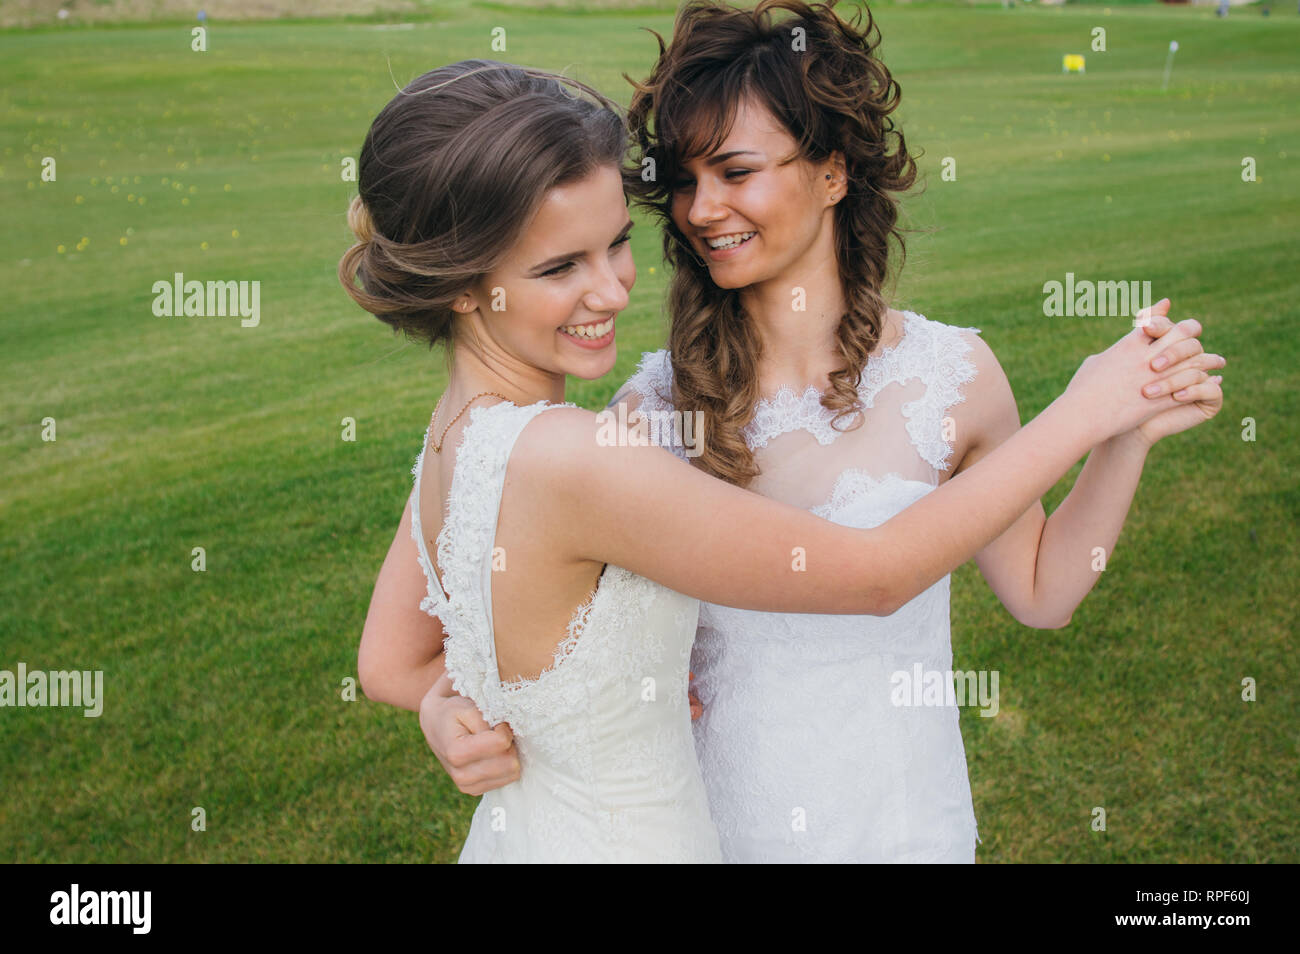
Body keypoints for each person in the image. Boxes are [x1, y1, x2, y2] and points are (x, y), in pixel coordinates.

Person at [347, 55, 1220, 863]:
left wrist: (1122, 435)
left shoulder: (952, 376)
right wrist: (1080, 409)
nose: (700, 210)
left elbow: (1044, 592)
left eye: (735, 171)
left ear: (834, 171)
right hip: (721, 827)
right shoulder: (639, 418)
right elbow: (875, 577)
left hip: (900, 819)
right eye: (686, 181)